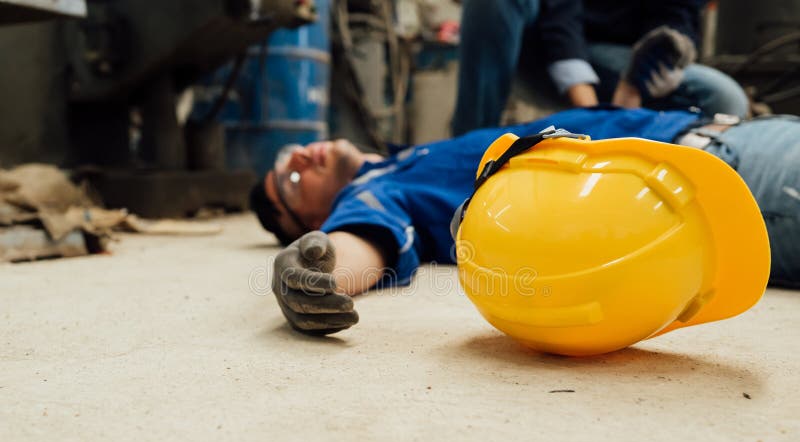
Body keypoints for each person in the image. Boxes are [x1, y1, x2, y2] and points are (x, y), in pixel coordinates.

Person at [250, 106, 800, 335]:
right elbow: (364, 237)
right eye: (292, 185)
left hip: (724, 133)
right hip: (714, 175)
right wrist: (318, 271)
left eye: (288, 156)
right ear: (311, 216)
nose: (298, 159)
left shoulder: (404, 156)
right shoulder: (377, 188)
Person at [452, 0, 750, 136]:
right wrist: (594, 117)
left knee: (724, 98)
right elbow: (561, 16)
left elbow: (677, 15)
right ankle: (469, 151)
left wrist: (661, 55)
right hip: (537, 49)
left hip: (622, 61)